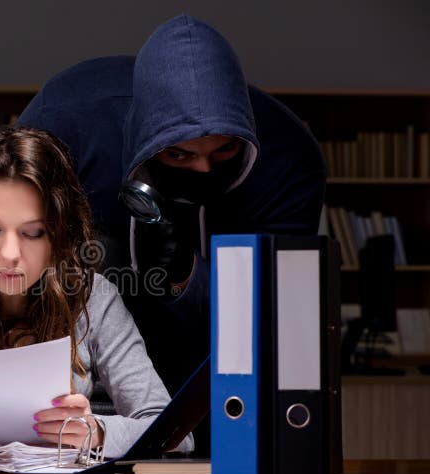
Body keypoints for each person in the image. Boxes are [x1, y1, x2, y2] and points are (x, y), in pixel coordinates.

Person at [16, 14, 325, 396]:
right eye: (179, 154)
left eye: (224, 149)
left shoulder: (289, 157)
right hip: (78, 358)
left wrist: (191, 276)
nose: (203, 167)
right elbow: (2, 255)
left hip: (220, 373)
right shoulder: (63, 122)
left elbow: (280, 315)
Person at [0, 126, 192, 458]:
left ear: (59, 232)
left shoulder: (93, 297)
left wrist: (97, 431)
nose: (10, 253)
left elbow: (175, 433)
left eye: (33, 232)